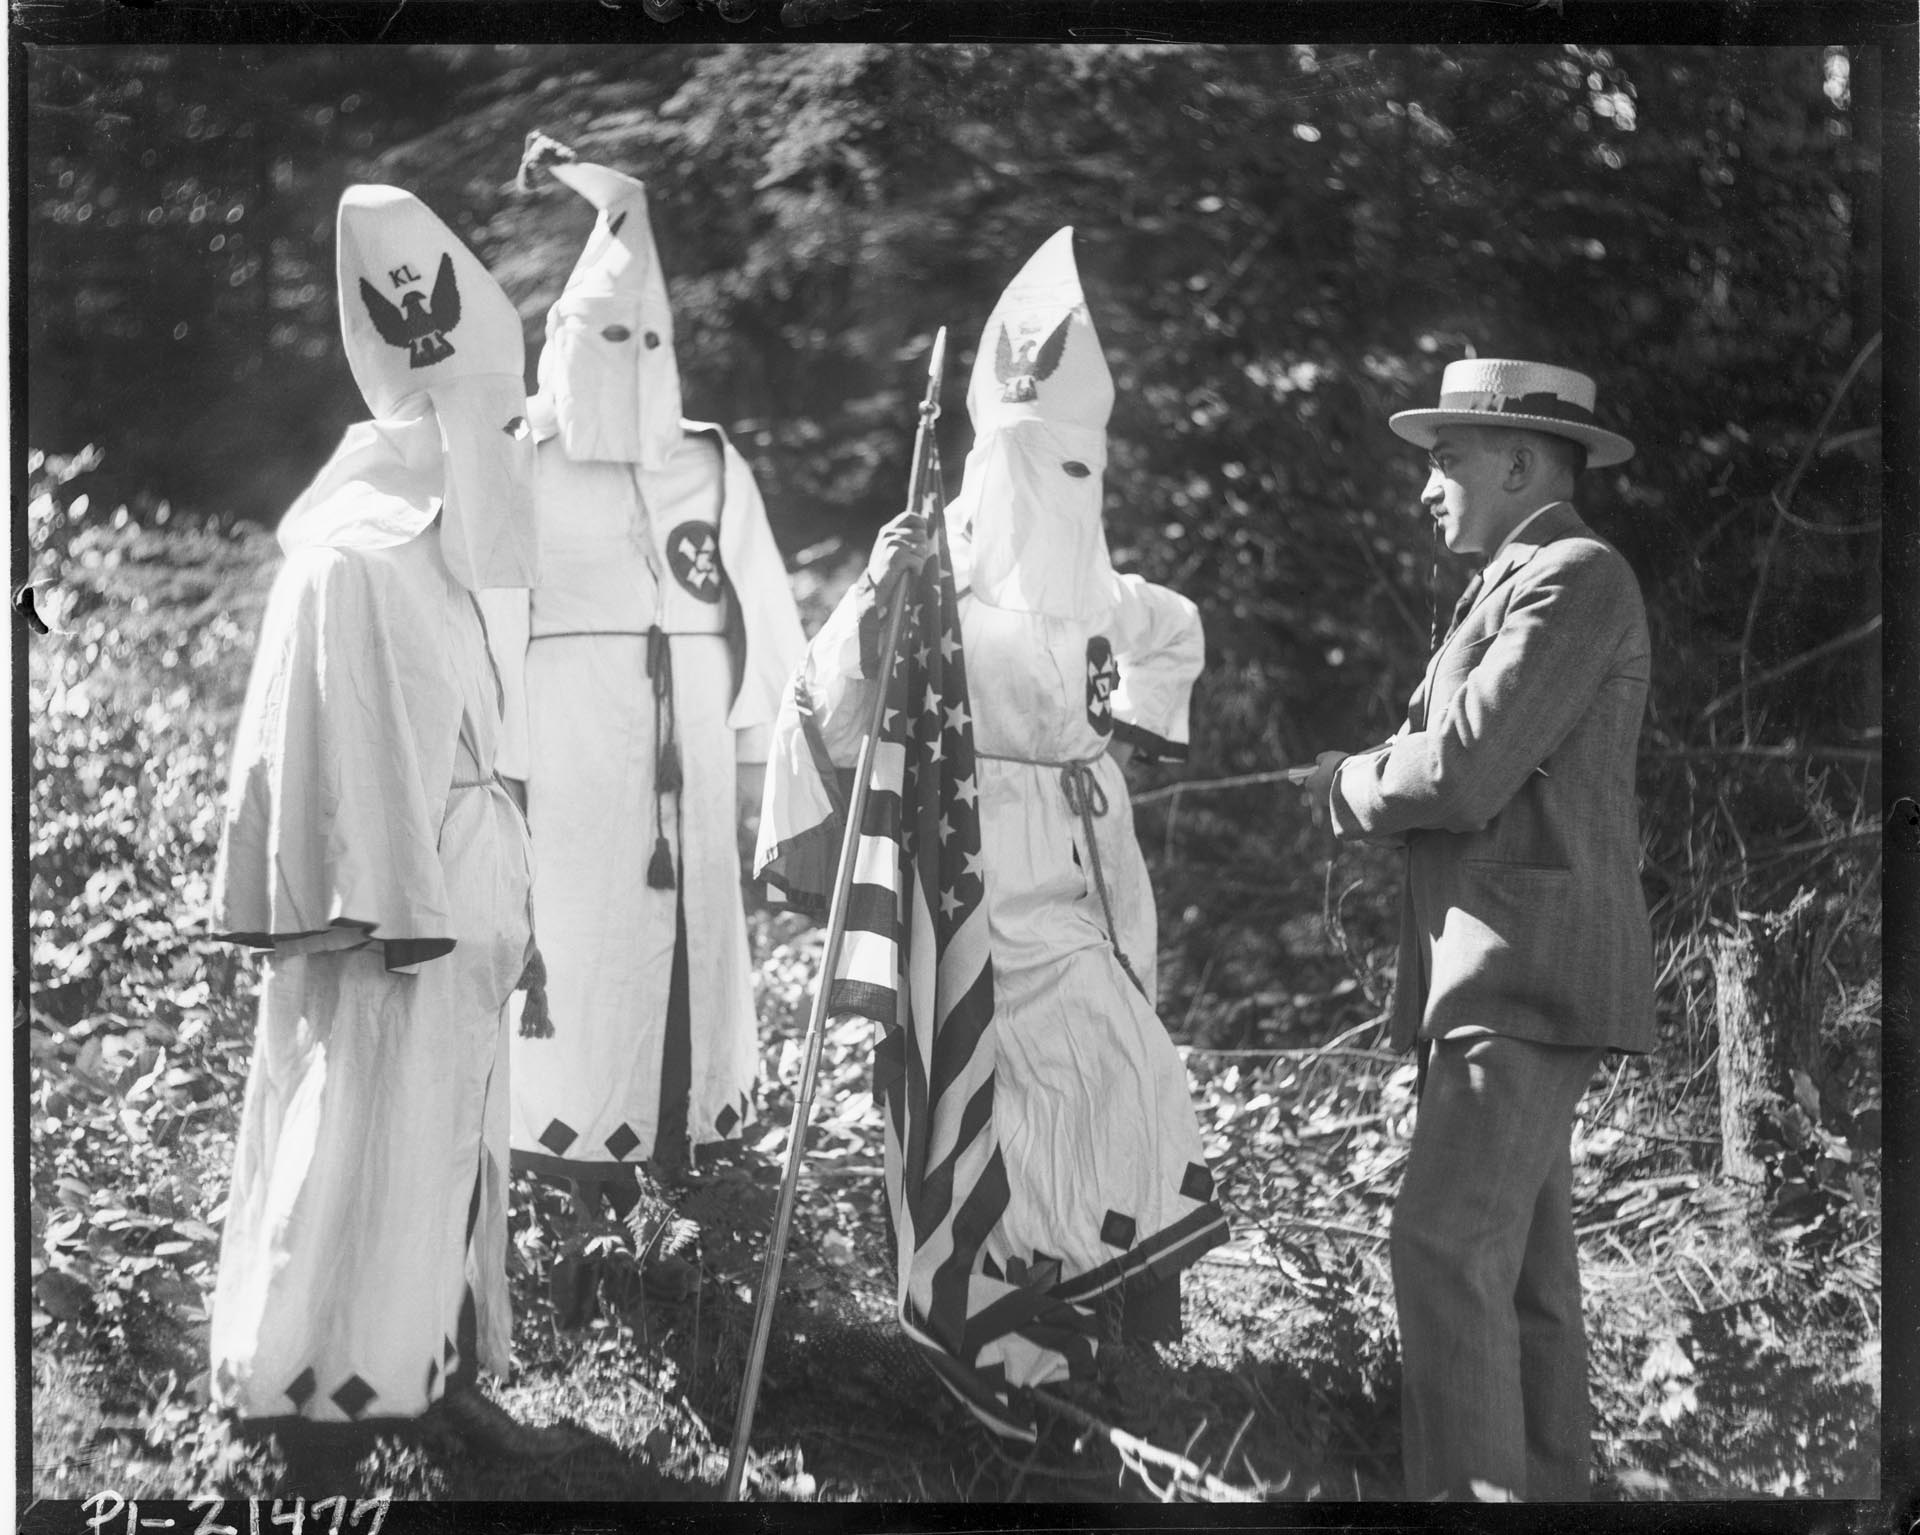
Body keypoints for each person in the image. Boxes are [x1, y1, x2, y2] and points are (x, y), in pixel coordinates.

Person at [757, 228, 1229, 1343]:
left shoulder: (1099, 586)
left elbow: (1174, 632)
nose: (1060, 487)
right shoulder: (937, 569)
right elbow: (826, 696)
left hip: (1083, 857)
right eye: (1039, 459)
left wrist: (1138, 727)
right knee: (1026, 1082)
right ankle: (1018, 1299)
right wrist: (880, 602)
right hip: (970, 864)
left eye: (1078, 464)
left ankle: (1107, 1299)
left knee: (1121, 1066)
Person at [209, 186, 539, 1432]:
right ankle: (314, 1388)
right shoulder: (350, 557)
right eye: (500, 419)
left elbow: (474, 744)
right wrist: (409, 908)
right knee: (359, 1134)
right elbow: (336, 770)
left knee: (446, 1140)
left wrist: (513, 902)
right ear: (444, 416)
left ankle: (432, 1372)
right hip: (391, 926)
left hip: (464, 902)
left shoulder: (443, 556)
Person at [1301, 358, 1655, 1500]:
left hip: (1525, 976)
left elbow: (1462, 770)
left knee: (1444, 1249)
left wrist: (1347, 781)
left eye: (1446, 460)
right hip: (1499, 978)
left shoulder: (1574, 574)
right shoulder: (1524, 578)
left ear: (1520, 462)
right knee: (1524, 1281)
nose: (1427, 487)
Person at [479, 135, 806, 1201]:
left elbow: (763, 609)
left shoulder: (709, 463)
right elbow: (490, 622)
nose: (627, 355)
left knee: (690, 950)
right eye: (605, 333)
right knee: (576, 953)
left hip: (694, 762)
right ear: (565, 338)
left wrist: (761, 764)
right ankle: (567, 1180)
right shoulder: (521, 459)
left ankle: (686, 1162)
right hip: (568, 757)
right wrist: (504, 765)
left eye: (646, 335)